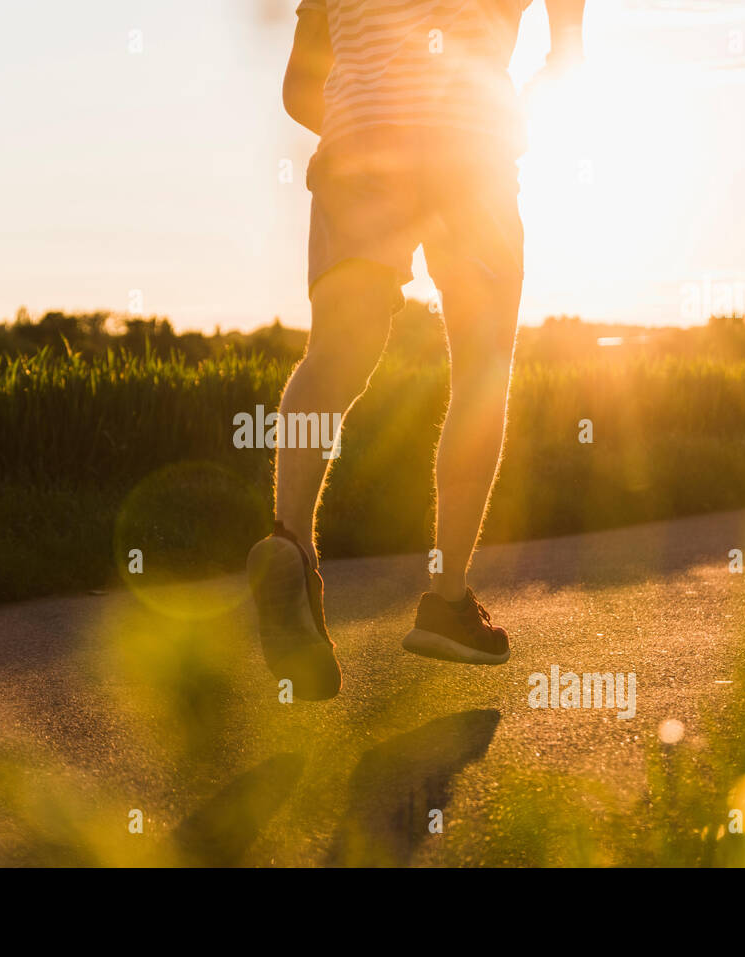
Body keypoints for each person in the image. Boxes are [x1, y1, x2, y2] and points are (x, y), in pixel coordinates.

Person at [247, 0, 585, 700]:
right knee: (482, 370)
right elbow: (566, 33)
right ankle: (447, 599)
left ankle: (290, 543)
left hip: (357, 144)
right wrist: (561, 56)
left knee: (335, 354)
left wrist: (369, 123)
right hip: (471, 149)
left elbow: (297, 88)